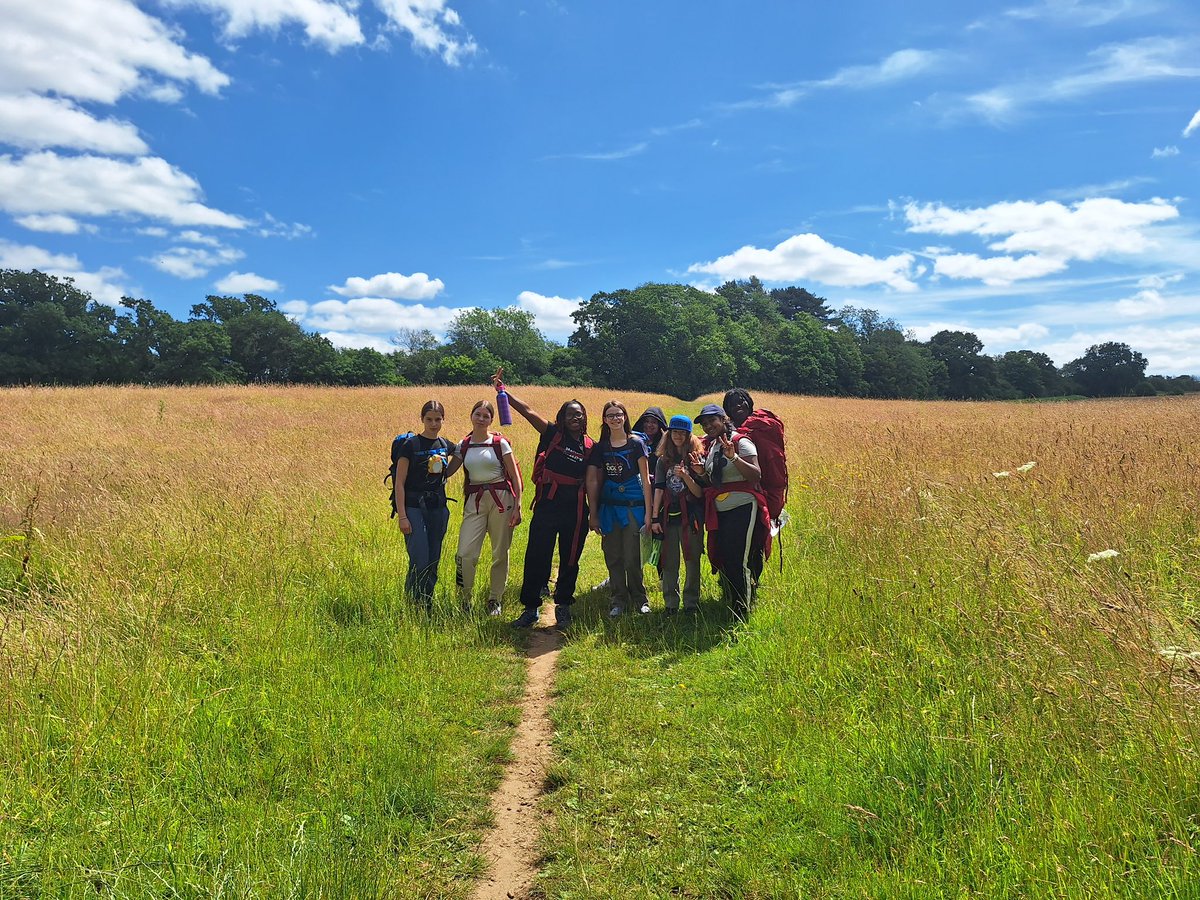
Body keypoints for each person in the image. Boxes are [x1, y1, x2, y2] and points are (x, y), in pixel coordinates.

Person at [497, 374, 593, 631]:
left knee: (570, 558)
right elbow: (528, 412)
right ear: (562, 418)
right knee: (537, 555)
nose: (575, 418)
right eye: (570, 414)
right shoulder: (552, 434)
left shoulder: (590, 446)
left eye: (579, 414)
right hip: (547, 506)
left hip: (575, 509)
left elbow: (595, 480)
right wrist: (504, 392)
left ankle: (563, 606)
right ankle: (530, 609)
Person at [695, 403, 771, 619]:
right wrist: (701, 474)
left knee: (738, 558)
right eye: (705, 423)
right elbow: (714, 482)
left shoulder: (740, 441)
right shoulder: (713, 446)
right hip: (720, 510)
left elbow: (755, 475)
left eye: (712, 421)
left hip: (743, 506)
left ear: (723, 419)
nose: (708, 426)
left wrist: (734, 457)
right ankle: (734, 601)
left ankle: (742, 610)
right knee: (727, 557)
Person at [453, 400, 522, 616]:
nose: (481, 419)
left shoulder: (500, 443)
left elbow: (515, 477)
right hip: (475, 500)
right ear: (471, 416)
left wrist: (518, 505)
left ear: (491, 419)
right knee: (465, 553)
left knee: (500, 552)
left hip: (501, 499)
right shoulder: (463, 445)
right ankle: (465, 600)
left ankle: (495, 599)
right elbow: (447, 471)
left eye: (486, 416)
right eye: (478, 414)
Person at [587, 400, 652, 617]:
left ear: (625, 417)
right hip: (610, 509)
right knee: (613, 556)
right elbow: (593, 480)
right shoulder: (600, 448)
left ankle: (640, 598)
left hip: (633, 507)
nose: (615, 419)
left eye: (618, 414)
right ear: (604, 420)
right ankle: (618, 599)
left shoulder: (636, 444)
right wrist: (593, 514)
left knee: (633, 557)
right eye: (610, 415)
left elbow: (646, 480)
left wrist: (649, 514)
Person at [393, 400, 454, 611]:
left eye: (438, 419)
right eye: (429, 419)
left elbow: (461, 452)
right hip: (413, 509)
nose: (433, 424)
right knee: (420, 559)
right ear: (422, 419)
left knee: (433, 559)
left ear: (443, 420)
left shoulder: (445, 445)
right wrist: (402, 516)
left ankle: (426, 603)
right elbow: (399, 483)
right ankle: (413, 604)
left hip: (438, 508)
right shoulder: (410, 446)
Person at [650, 415, 705, 614]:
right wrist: (654, 518)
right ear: (669, 434)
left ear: (689, 435)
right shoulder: (662, 461)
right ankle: (671, 604)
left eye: (682, 433)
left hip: (691, 517)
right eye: (675, 432)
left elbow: (699, 493)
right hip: (668, 517)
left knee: (692, 560)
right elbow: (658, 489)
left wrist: (685, 476)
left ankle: (691, 603)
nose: (678, 436)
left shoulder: (697, 459)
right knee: (668, 562)